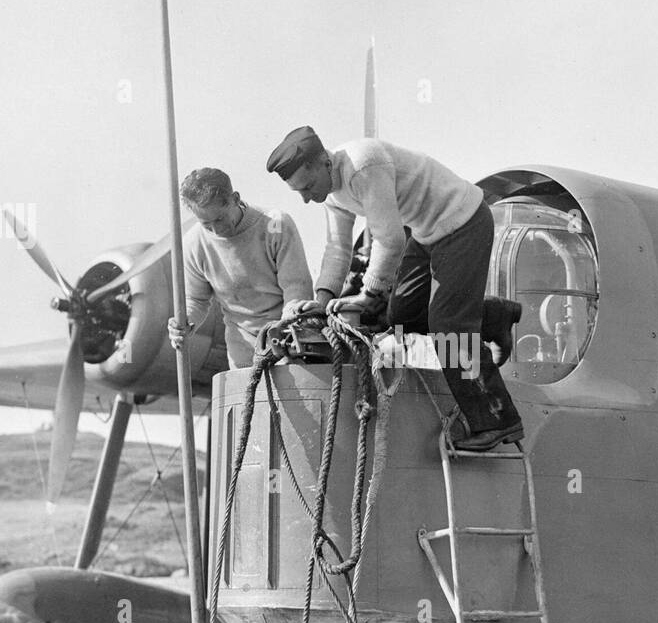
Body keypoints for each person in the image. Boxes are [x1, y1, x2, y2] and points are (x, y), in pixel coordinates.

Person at [266, 127, 522, 451]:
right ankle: (493, 315)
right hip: (429, 232)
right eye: (298, 192)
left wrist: (368, 295)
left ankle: (497, 420)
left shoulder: (363, 165)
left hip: (464, 222)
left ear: (324, 163)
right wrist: (322, 300)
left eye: (307, 187)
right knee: (399, 317)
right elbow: (336, 249)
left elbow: (390, 240)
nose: (305, 198)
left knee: (450, 326)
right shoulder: (331, 192)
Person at [166, 167, 313, 369]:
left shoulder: (275, 224)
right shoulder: (193, 244)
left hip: (287, 336)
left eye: (220, 219)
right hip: (240, 345)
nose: (216, 230)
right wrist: (185, 322)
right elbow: (197, 300)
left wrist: (287, 333)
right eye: (206, 224)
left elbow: (296, 287)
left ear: (235, 199)